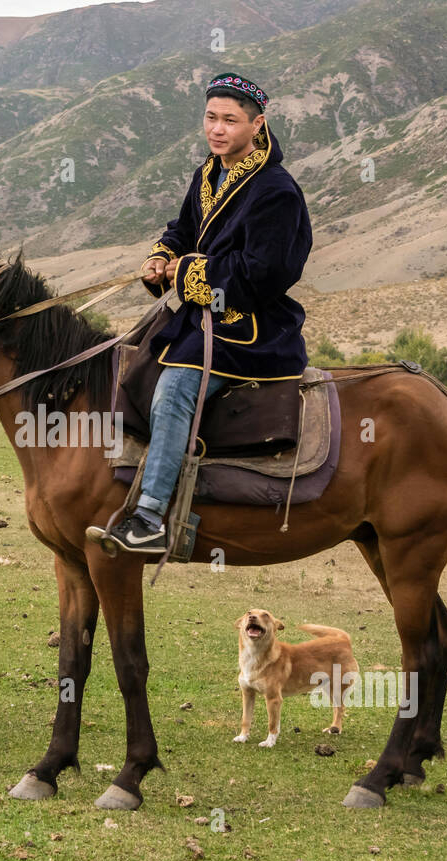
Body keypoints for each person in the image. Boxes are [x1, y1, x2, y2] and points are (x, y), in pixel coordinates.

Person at [89, 72, 313, 554]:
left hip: (252, 326)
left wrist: (184, 272)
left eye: (230, 120)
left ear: (257, 125)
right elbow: (183, 228)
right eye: (211, 117)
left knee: (174, 388)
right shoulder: (208, 174)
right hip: (202, 316)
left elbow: (263, 274)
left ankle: (150, 517)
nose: (217, 129)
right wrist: (160, 256)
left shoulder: (276, 190)